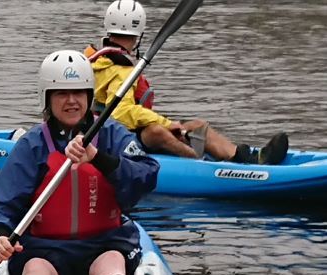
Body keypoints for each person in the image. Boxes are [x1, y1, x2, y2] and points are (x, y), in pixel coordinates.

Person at [0, 50, 160, 275]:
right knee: (36, 271)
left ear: (89, 95)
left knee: (112, 264)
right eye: (61, 94)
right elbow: (3, 202)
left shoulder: (112, 135)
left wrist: (98, 158)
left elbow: (147, 176)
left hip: (106, 244)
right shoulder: (32, 145)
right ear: (47, 97)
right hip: (46, 249)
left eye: (78, 93)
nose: (71, 101)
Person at [85, 0, 289, 165]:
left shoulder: (95, 60)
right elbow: (119, 112)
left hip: (119, 132)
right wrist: (165, 123)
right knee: (156, 131)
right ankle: (199, 163)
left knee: (198, 125)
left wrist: (169, 125)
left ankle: (246, 158)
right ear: (139, 35)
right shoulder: (120, 69)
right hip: (117, 139)